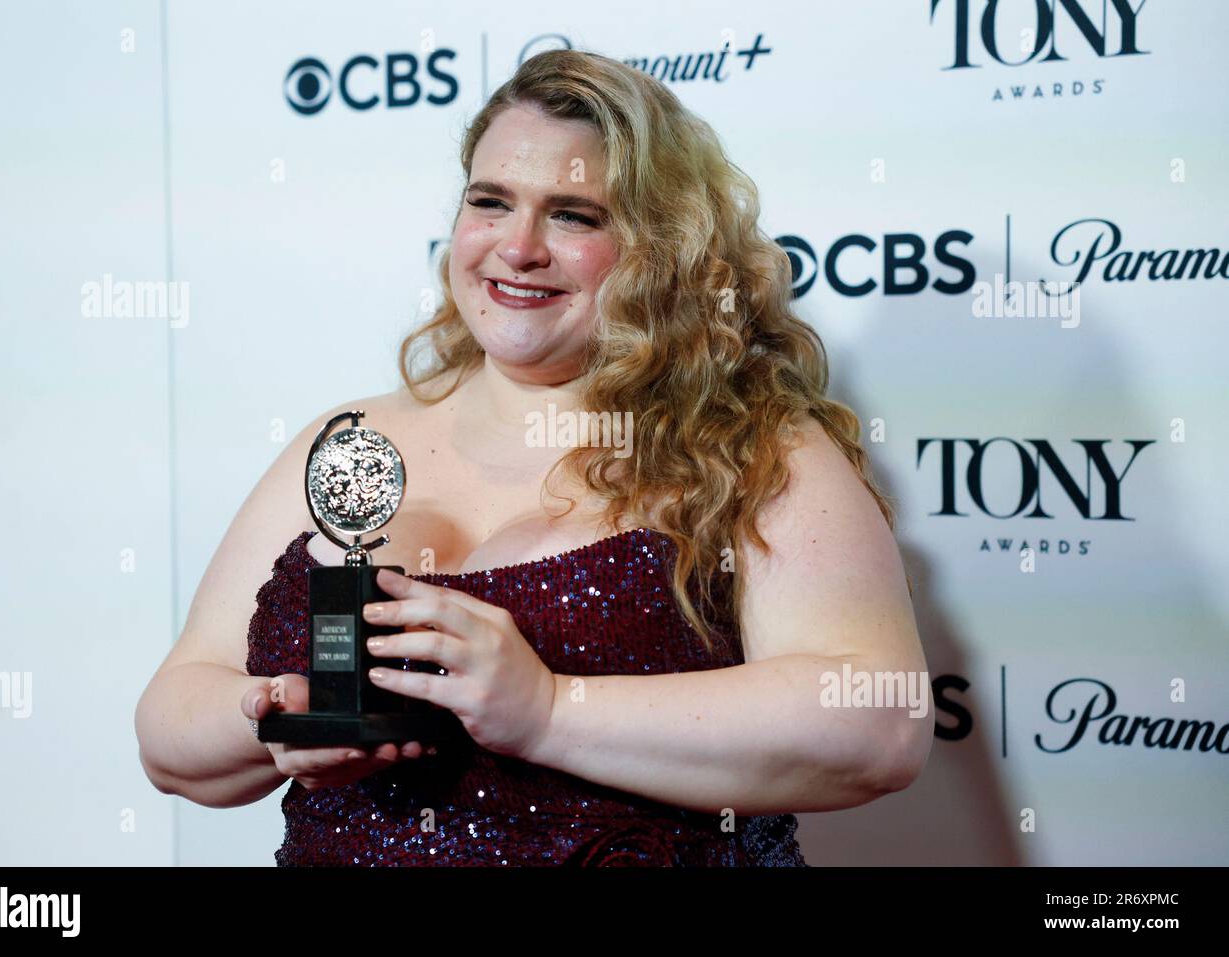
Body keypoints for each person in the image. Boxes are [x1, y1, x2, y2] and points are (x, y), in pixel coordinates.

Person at [134, 49, 932, 866]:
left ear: (661, 245)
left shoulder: (751, 446)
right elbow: (170, 725)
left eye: (574, 215)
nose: (517, 248)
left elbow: (878, 725)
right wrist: (273, 718)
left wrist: (549, 709)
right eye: (491, 201)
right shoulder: (345, 440)